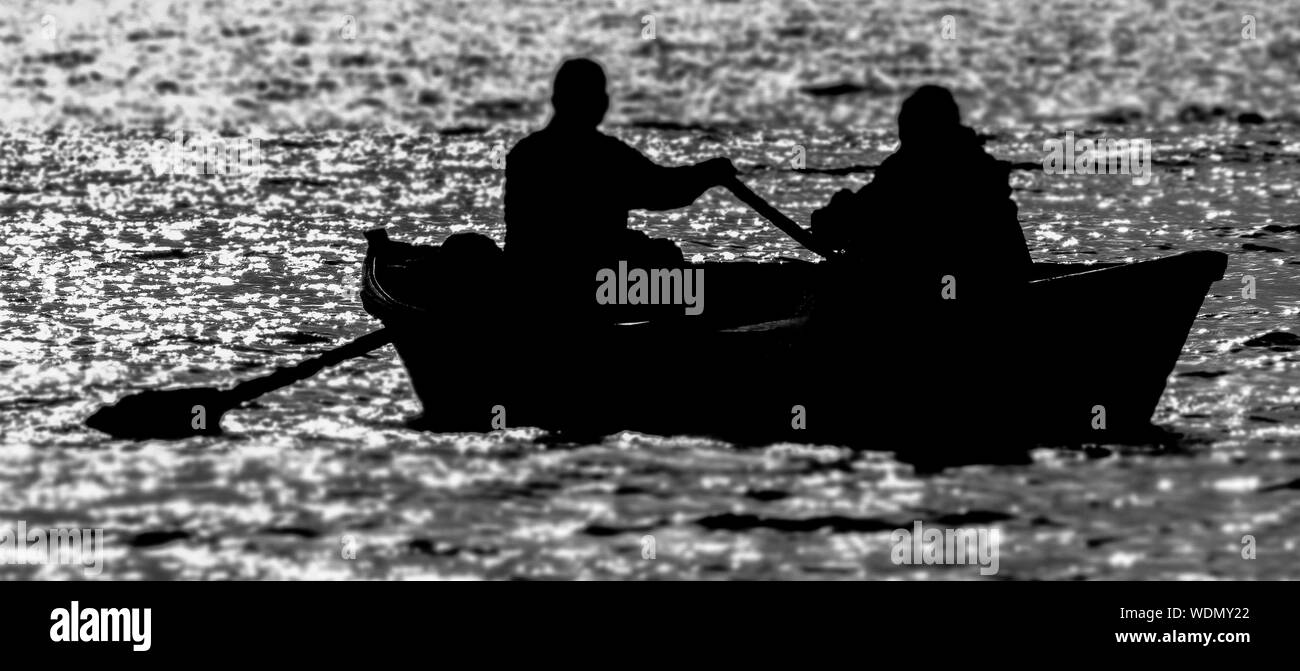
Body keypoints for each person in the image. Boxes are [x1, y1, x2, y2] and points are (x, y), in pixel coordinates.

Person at [503, 58, 736, 319]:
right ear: (601, 105)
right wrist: (708, 174)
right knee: (666, 259)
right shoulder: (606, 156)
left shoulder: (524, 153)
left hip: (528, 283)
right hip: (591, 287)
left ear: (556, 100)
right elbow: (665, 190)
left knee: (644, 249)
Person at [809, 85, 1030, 314]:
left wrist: (836, 212)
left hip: (935, 302)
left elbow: (838, 227)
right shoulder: (982, 170)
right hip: (992, 293)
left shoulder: (906, 174)